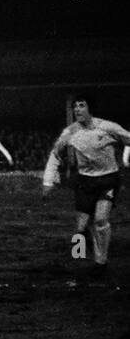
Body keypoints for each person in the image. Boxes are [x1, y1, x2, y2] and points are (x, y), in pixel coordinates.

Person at [42, 97, 130, 277]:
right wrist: (48, 181)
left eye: (81, 105)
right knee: (80, 227)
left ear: (90, 109)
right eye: (75, 106)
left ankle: (101, 262)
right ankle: (78, 257)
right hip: (84, 181)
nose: (77, 109)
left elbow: (129, 139)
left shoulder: (108, 127)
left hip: (107, 179)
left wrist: (126, 157)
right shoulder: (70, 132)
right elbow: (55, 154)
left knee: (100, 220)